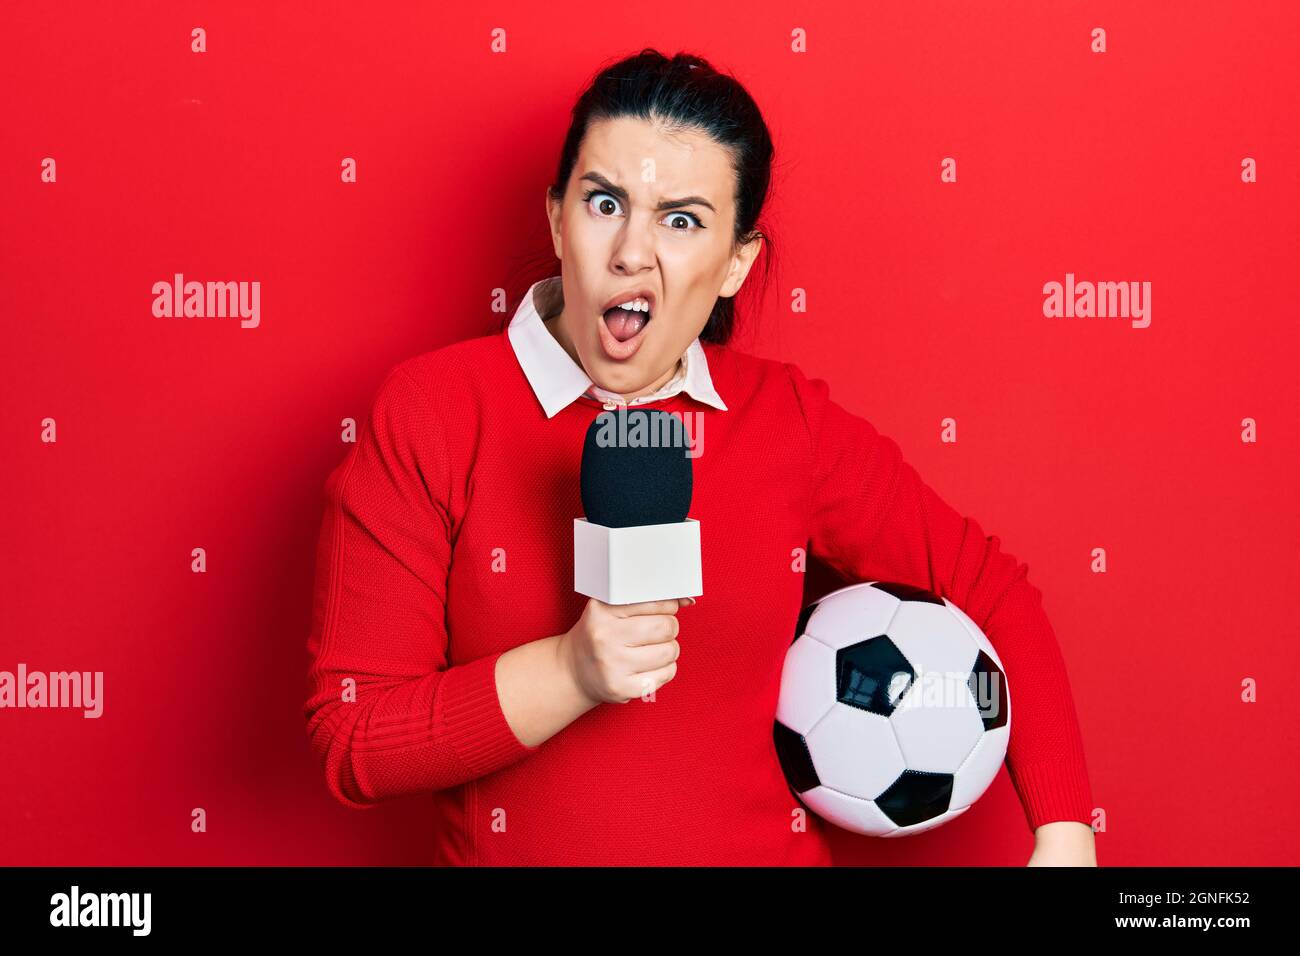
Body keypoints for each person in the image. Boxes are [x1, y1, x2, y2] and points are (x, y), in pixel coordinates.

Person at [303, 48, 1097, 866]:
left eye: (681, 220)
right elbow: (354, 735)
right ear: (556, 219)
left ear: (736, 264)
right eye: (604, 202)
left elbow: (990, 589)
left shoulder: (785, 418)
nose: (632, 252)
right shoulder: (434, 410)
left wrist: (1067, 833)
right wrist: (571, 671)